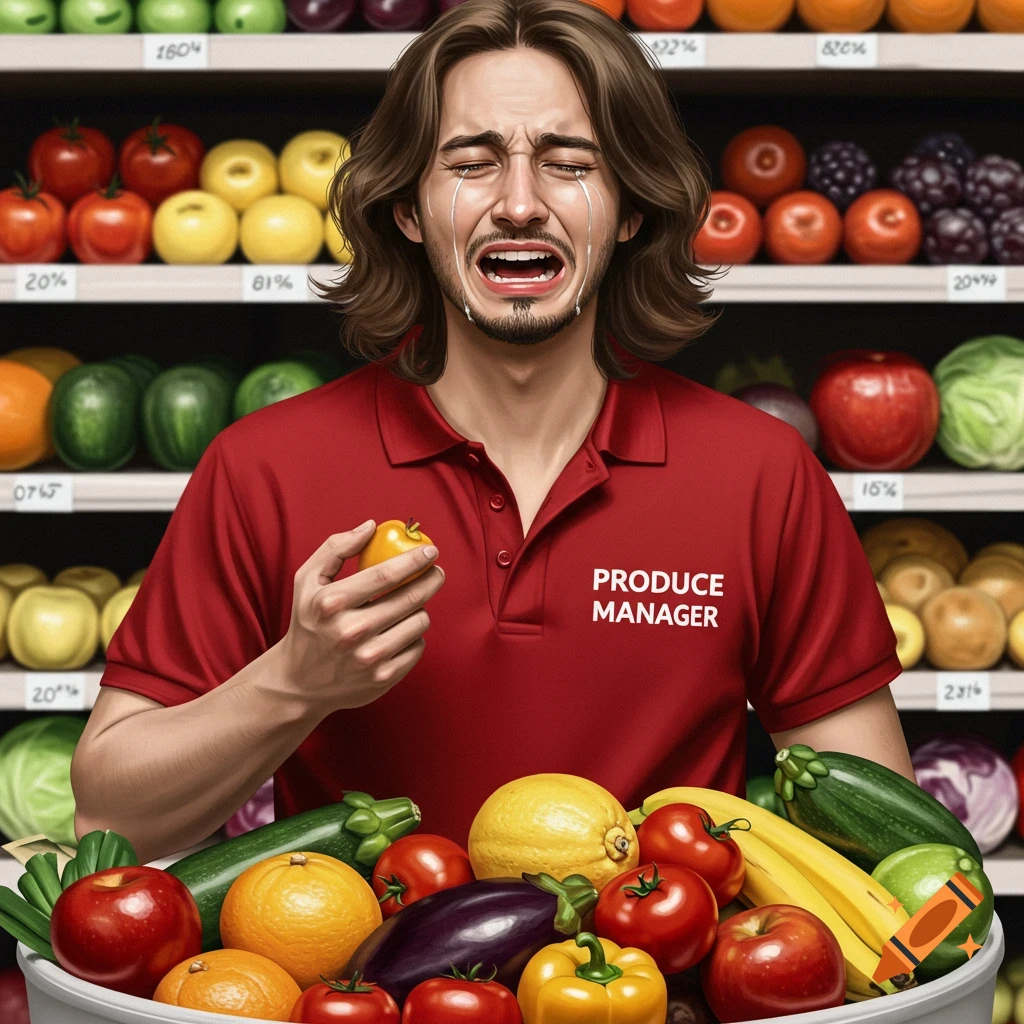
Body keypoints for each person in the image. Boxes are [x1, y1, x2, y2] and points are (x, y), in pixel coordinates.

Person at [72, 0, 914, 865]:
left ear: (630, 209)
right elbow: (112, 820)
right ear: (407, 207)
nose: (520, 204)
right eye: (471, 164)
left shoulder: (760, 474)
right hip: (357, 989)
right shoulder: (265, 467)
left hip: (663, 990)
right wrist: (292, 684)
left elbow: (878, 836)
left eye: (569, 164)